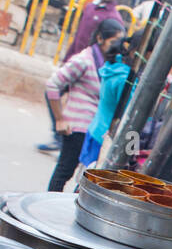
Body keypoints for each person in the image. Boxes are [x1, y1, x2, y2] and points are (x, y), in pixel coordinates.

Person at [37, 0, 122, 153]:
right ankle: (59, 134)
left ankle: (67, 139)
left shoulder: (114, 19)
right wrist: (67, 59)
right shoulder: (90, 7)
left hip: (92, 69)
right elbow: (78, 38)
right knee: (54, 91)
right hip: (76, 62)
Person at [45, 17, 125, 191]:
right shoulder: (84, 60)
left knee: (85, 177)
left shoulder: (107, 62)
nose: (116, 45)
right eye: (113, 41)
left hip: (91, 130)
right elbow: (52, 84)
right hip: (76, 128)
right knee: (65, 171)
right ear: (100, 39)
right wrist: (59, 119)